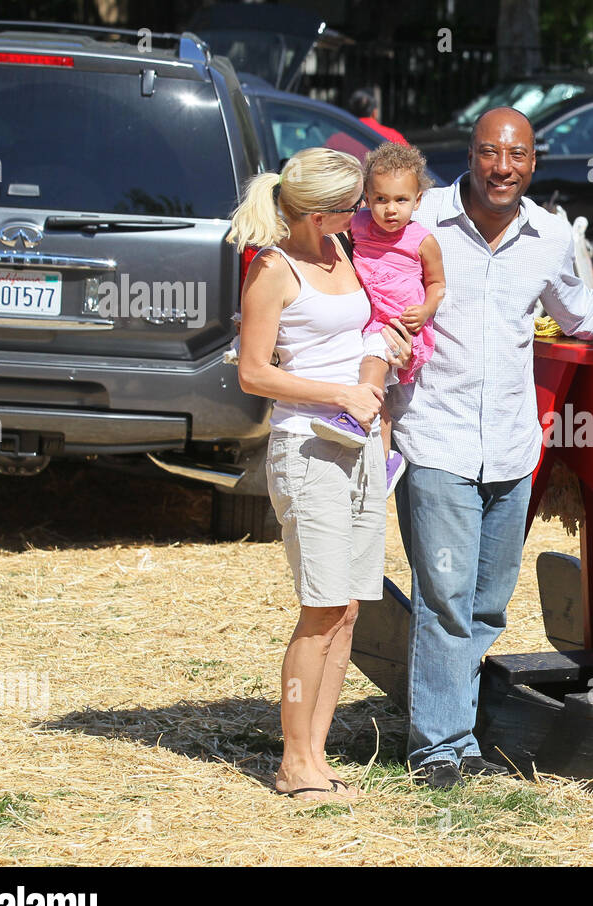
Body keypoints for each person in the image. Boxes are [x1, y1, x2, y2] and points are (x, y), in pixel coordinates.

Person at [390, 106, 593, 789]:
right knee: (444, 596)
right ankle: (439, 747)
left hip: (509, 446)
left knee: (486, 603)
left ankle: (455, 721)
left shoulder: (550, 235)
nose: (502, 168)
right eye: (488, 153)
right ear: (469, 155)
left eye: (517, 156)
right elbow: (369, 287)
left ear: (533, 162)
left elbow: (581, 314)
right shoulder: (421, 221)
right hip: (436, 436)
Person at [228, 147, 412, 801]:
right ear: (318, 214)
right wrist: (338, 395)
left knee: (349, 608)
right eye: (351, 206)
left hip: (359, 446)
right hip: (307, 448)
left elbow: (356, 335)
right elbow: (253, 372)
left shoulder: (341, 253)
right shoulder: (274, 270)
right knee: (321, 606)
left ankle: (316, 756)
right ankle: (293, 761)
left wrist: (379, 357)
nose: (362, 213)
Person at [312, 143, 444, 497]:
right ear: (366, 198)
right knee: (382, 398)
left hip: (402, 326)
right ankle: (385, 461)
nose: (390, 210)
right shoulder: (357, 225)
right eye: (380, 199)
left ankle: (356, 417)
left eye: (401, 200)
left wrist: (427, 310)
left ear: (417, 201)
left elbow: (437, 283)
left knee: (374, 357)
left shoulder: (422, 240)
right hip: (369, 321)